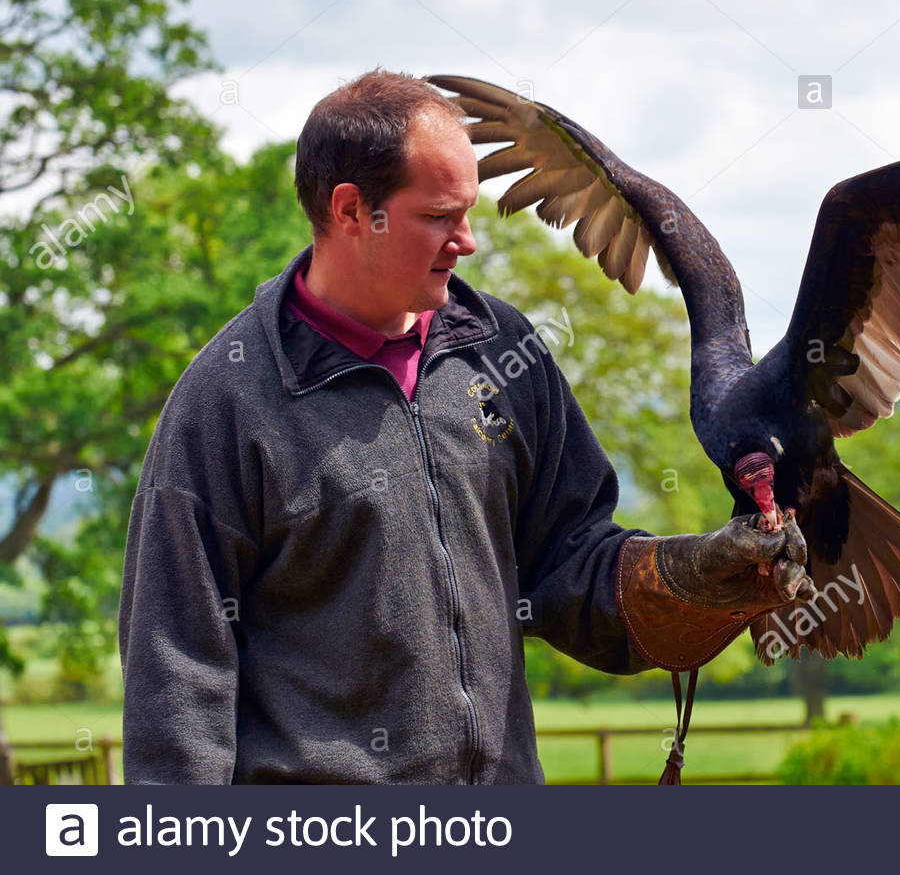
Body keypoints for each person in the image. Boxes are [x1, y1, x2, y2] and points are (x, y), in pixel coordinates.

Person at [117, 69, 811, 784]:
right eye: (440, 215)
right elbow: (178, 677)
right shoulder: (229, 399)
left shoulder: (501, 352)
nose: (469, 240)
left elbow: (567, 562)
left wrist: (692, 572)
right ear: (353, 210)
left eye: (470, 211)